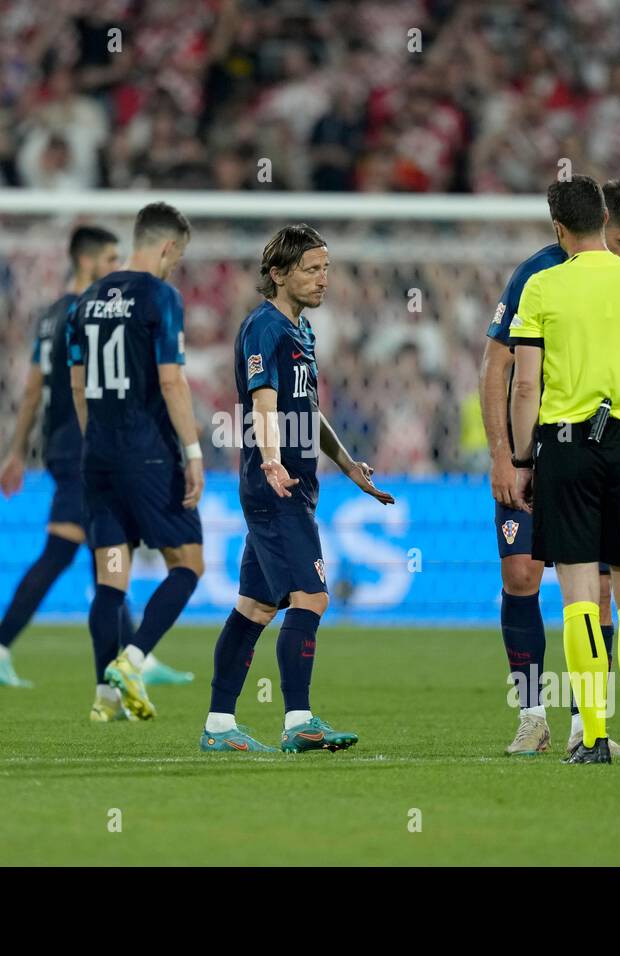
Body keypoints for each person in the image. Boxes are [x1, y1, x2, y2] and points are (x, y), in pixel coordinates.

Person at [481, 178, 620, 757]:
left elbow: (529, 384)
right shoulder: (540, 277)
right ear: (601, 220)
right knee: (531, 577)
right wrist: (504, 454)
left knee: (588, 596)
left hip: (562, 449)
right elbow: (497, 368)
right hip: (602, 449)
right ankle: (536, 711)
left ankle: (590, 729)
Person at [199, 224, 395, 753]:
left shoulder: (300, 331)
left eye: (326, 268)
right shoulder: (264, 327)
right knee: (312, 596)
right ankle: (298, 721)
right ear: (278, 274)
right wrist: (270, 460)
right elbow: (262, 403)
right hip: (275, 487)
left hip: (296, 485)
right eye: (311, 269)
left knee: (255, 609)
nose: (322, 279)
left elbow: (307, 410)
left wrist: (349, 465)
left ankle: (219, 726)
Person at [66, 203, 205, 721]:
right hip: (147, 453)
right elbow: (171, 380)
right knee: (189, 564)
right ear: (167, 247)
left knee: (111, 578)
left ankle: (105, 697)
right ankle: (134, 658)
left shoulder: (85, 300)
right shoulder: (161, 296)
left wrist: (97, 444)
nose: (176, 266)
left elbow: (79, 387)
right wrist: (192, 453)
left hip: (98, 456)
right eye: (179, 256)